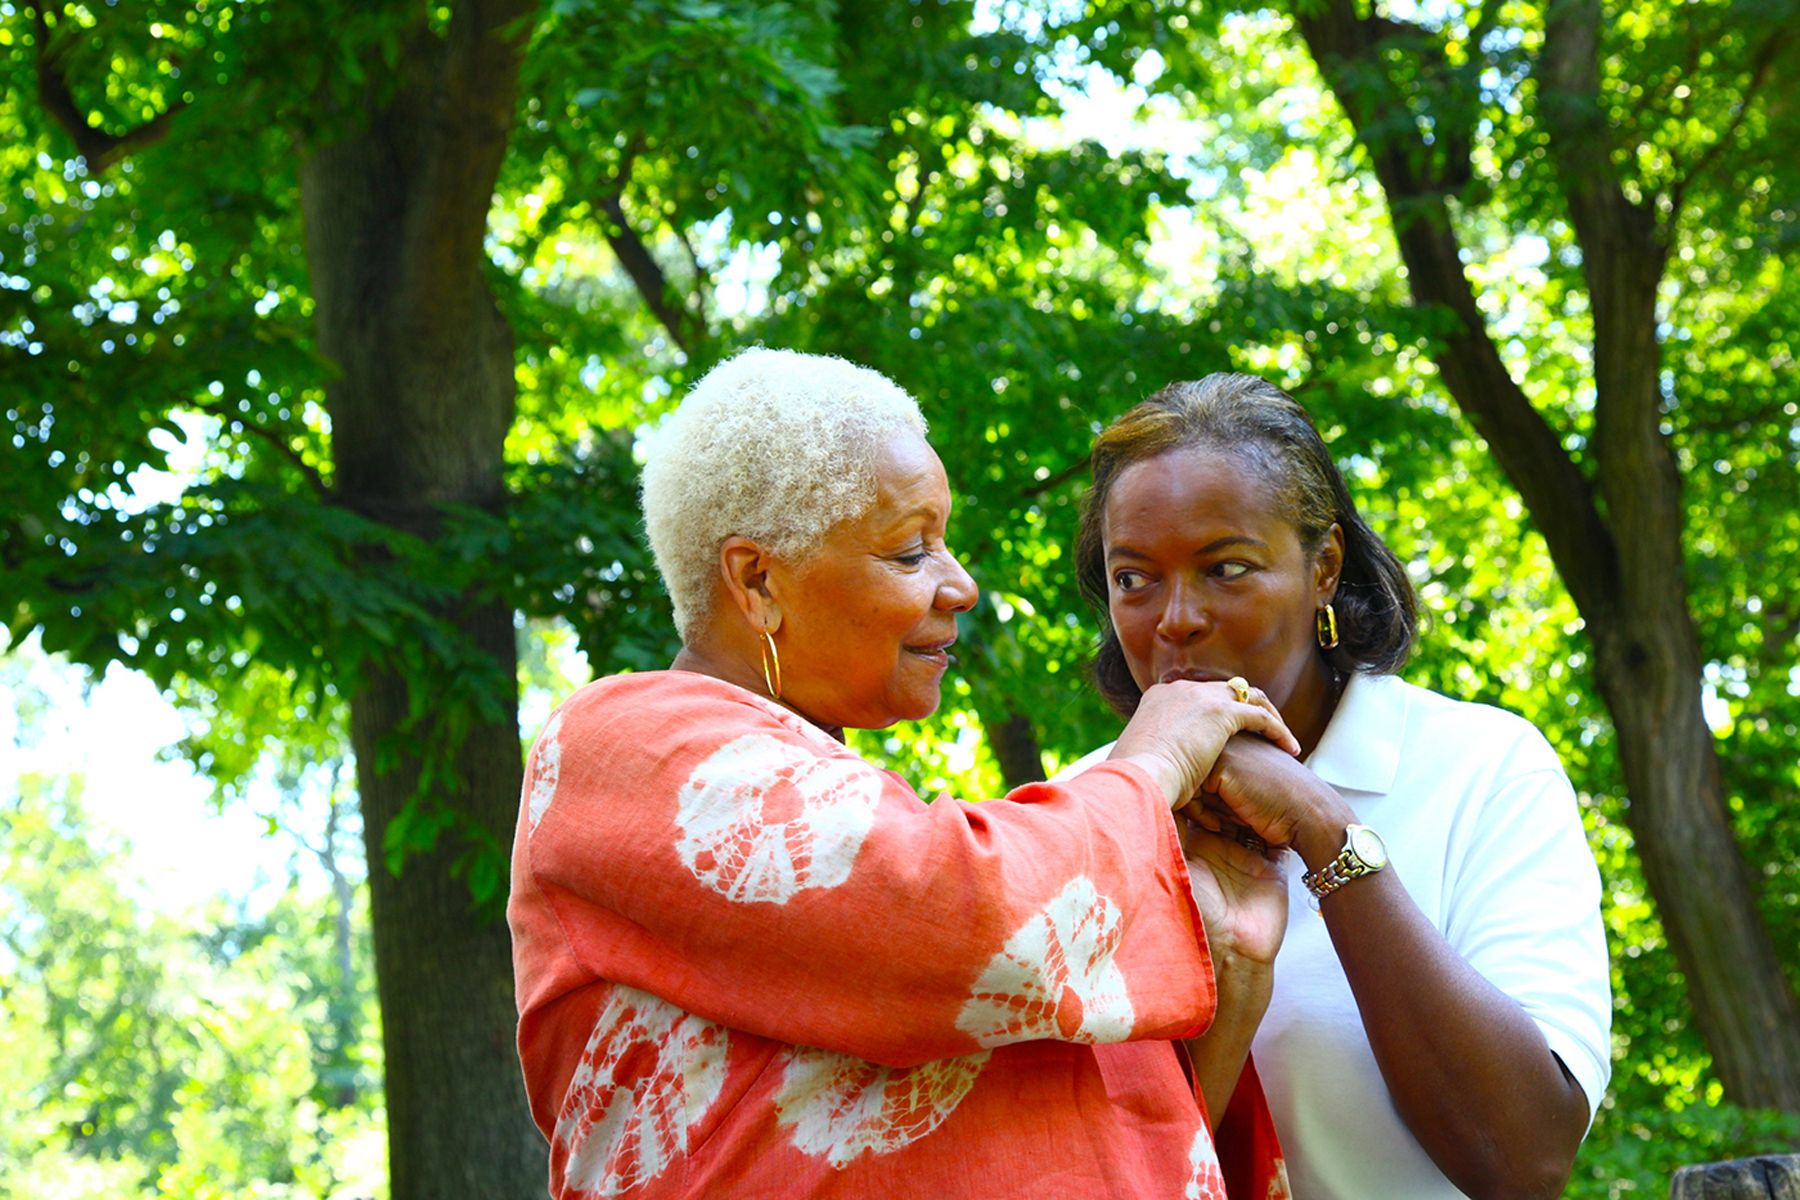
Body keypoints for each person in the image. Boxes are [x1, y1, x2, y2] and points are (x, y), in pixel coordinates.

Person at [507, 349, 1295, 1199]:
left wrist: (1237, 959)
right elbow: (954, 912)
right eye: (910, 551)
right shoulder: (620, 742)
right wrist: (1153, 762)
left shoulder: (864, 827)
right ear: (758, 579)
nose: (961, 585)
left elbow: (1141, 1146)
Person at [1066, 373, 1612, 1199]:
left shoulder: (1483, 768)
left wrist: (1325, 829)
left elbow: (1523, 1160)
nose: (1175, 617)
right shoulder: (1082, 808)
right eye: (1134, 577)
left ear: (1324, 566)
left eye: (1226, 567)